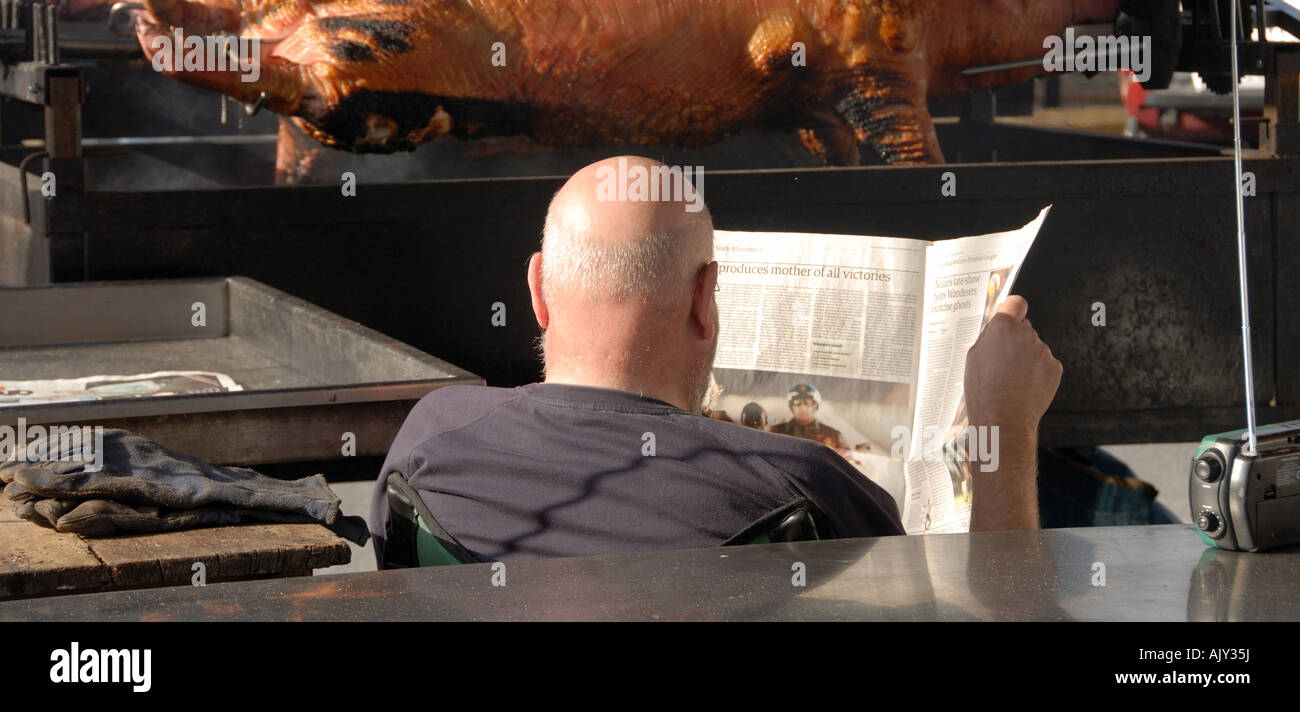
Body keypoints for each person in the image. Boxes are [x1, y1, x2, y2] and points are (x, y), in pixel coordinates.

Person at [371, 155, 1061, 561]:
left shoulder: (432, 440)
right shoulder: (805, 491)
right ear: (707, 300)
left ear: (537, 290)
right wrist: (1007, 423)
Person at [769, 383, 849, 452]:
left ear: (816, 406)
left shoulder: (834, 435)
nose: (802, 408)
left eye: (808, 403)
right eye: (797, 403)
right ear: (791, 406)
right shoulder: (776, 432)